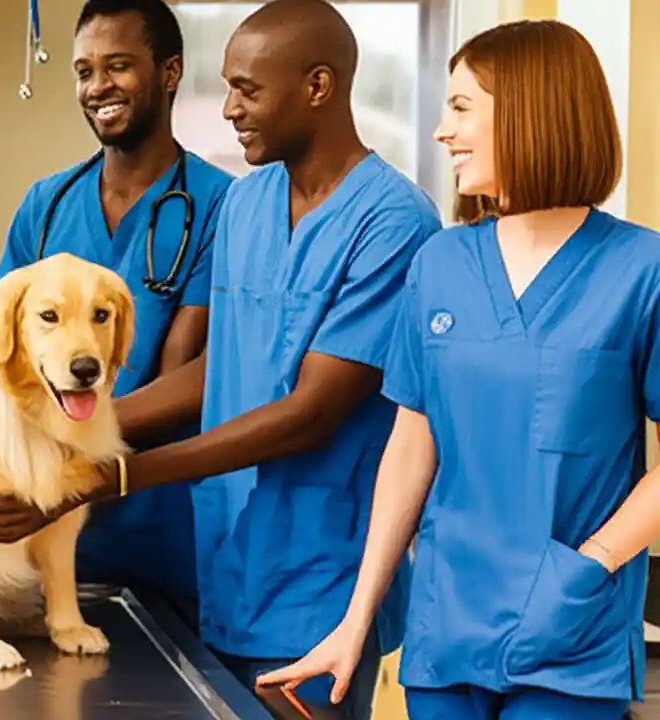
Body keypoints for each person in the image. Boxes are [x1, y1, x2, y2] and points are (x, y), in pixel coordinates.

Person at [0, 1, 442, 718]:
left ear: (317, 86)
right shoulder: (247, 207)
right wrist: (68, 445)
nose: (230, 110)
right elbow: (222, 367)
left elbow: (310, 413)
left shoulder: (394, 222)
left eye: (247, 90)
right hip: (220, 557)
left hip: (317, 572)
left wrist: (105, 473)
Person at [257, 19, 657, 720]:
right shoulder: (440, 264)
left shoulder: (641, 271)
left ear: (535, 109)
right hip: (447, 631)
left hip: (571, 634)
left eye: (462, 107)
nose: (442, 132)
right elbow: (412, 444)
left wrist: (591, 563)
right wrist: (358, 621)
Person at [0, 0, 232, 626]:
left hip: (165, 532)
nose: (98, 87)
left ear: (170, 71)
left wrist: (79, 450)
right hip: (46, 531)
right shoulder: (46, 206)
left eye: (118, 66)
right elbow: (2, 357)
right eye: (83, 71)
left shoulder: (220, 207)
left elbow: (194, 367)